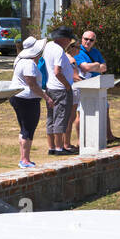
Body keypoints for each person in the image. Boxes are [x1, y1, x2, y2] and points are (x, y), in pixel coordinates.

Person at [9, 36, 51, 169]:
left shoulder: (20, 60)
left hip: (18, 97)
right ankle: (25, 159)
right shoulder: (28, 64)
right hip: (27, 99)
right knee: (28, 128)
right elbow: (32, 84)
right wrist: (46, 97)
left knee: (24, 128)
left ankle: (24, 158)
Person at [74, 28, 120, 143]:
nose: (88, 42)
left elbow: (104, 67)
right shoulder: (78, 52)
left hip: (98, 84)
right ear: (82, 39)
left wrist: (94, 66)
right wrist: (96, 65)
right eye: (86, 39)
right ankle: (81, 140)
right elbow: (84, 68)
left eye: (91, 40)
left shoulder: (96, 52)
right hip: (83, 85)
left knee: (105, 109)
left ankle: (109, 136)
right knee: (81, 113)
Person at [42, 27, 76, 155]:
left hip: (50, 87)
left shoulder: (49, 46)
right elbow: (58, 72)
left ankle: (51, 147)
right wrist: (67, 85)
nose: (69, 42)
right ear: (64, 39)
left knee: (51, 117)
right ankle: (59, 148)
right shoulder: (58, 50)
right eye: (69, 40)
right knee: (60, 118)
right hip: (60, 89)